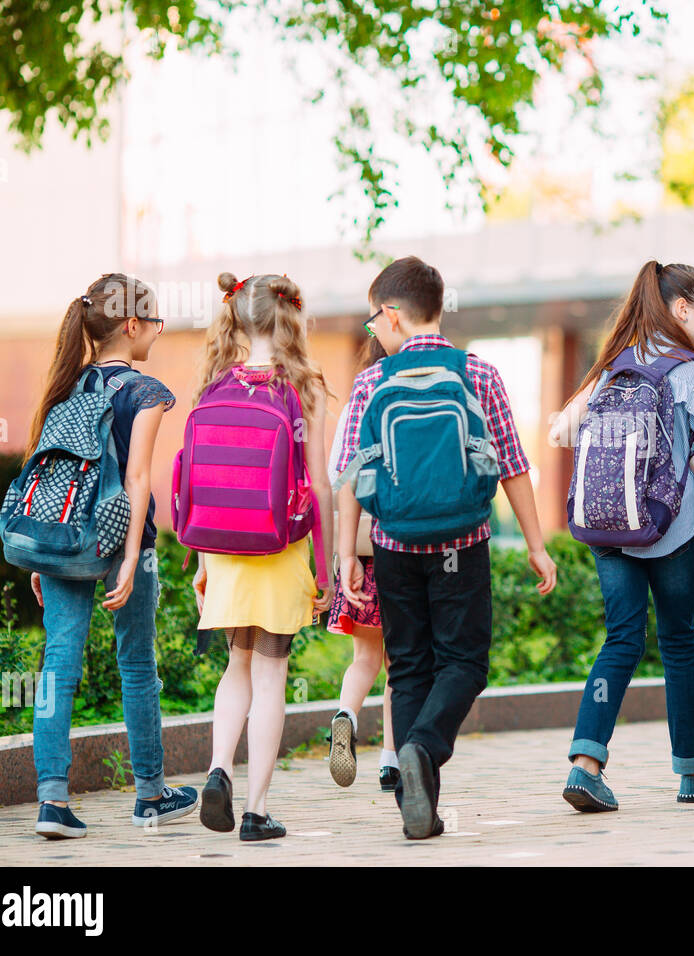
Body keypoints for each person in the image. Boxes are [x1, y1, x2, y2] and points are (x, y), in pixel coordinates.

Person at [335, 256, 557, 839]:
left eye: (372, 322)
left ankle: (422, 809)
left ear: (390, 314)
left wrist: (344, 559)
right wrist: (537, 546)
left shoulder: (371, 382)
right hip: (463, 543)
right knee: (463, 662)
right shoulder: (476, 373)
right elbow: (513, 466)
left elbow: (350, 479)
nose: (372, 332)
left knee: (408, 669)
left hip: (393, 543)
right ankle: (425, 751)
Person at [548, 260, 694, 812]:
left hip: (607, 528)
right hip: (670, 531)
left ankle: (586, 765)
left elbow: (558, 431)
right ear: (681, 310)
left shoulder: (612, 369)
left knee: (620, 640)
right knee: (678, 642)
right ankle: (693, 772)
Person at [26, 273, 198, 839]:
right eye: (155, 321)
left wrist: (39, 556)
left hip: (62, 543)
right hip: (126, 545)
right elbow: (138, 478)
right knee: (137, 667)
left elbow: (51, 470)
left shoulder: (68, 382)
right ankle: (150, 794)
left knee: (58, 667)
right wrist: (129, 559)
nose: (160, 330)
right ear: (131, 325)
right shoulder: (143, 391)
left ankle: (52, 803)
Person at [192, 272, 335, 841]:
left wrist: (202, 564)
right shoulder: (306, 385)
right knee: (274, 673)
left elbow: (202, 481)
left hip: (223, 547)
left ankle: (217, 769)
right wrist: (327, 571)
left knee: (237, 665)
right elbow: (320, 486)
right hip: (282, 544)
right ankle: (255, 811)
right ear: (290, 317)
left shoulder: (213, 384)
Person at [326, 334, 397, 792]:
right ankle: (391, 759)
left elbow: (338, 471)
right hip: (404, 545)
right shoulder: (422, 384)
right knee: (402, 663)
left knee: (365, 657)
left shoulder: (360, 393)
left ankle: (346, 713)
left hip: (361, 549)